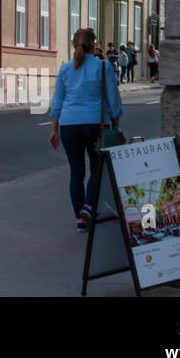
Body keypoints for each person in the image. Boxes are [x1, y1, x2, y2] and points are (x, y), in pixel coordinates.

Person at [49, 28, 123, 231]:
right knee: (98, 168)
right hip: (95, 126)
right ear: (94, 45)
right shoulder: (103, 66)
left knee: (76, 172)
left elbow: (57, 102)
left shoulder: (65, 69)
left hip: (68, 126)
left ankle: (80, 218)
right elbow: (112, 98)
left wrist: (54, 129)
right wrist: (116, 121)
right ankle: (89, 206)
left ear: (74, 45)